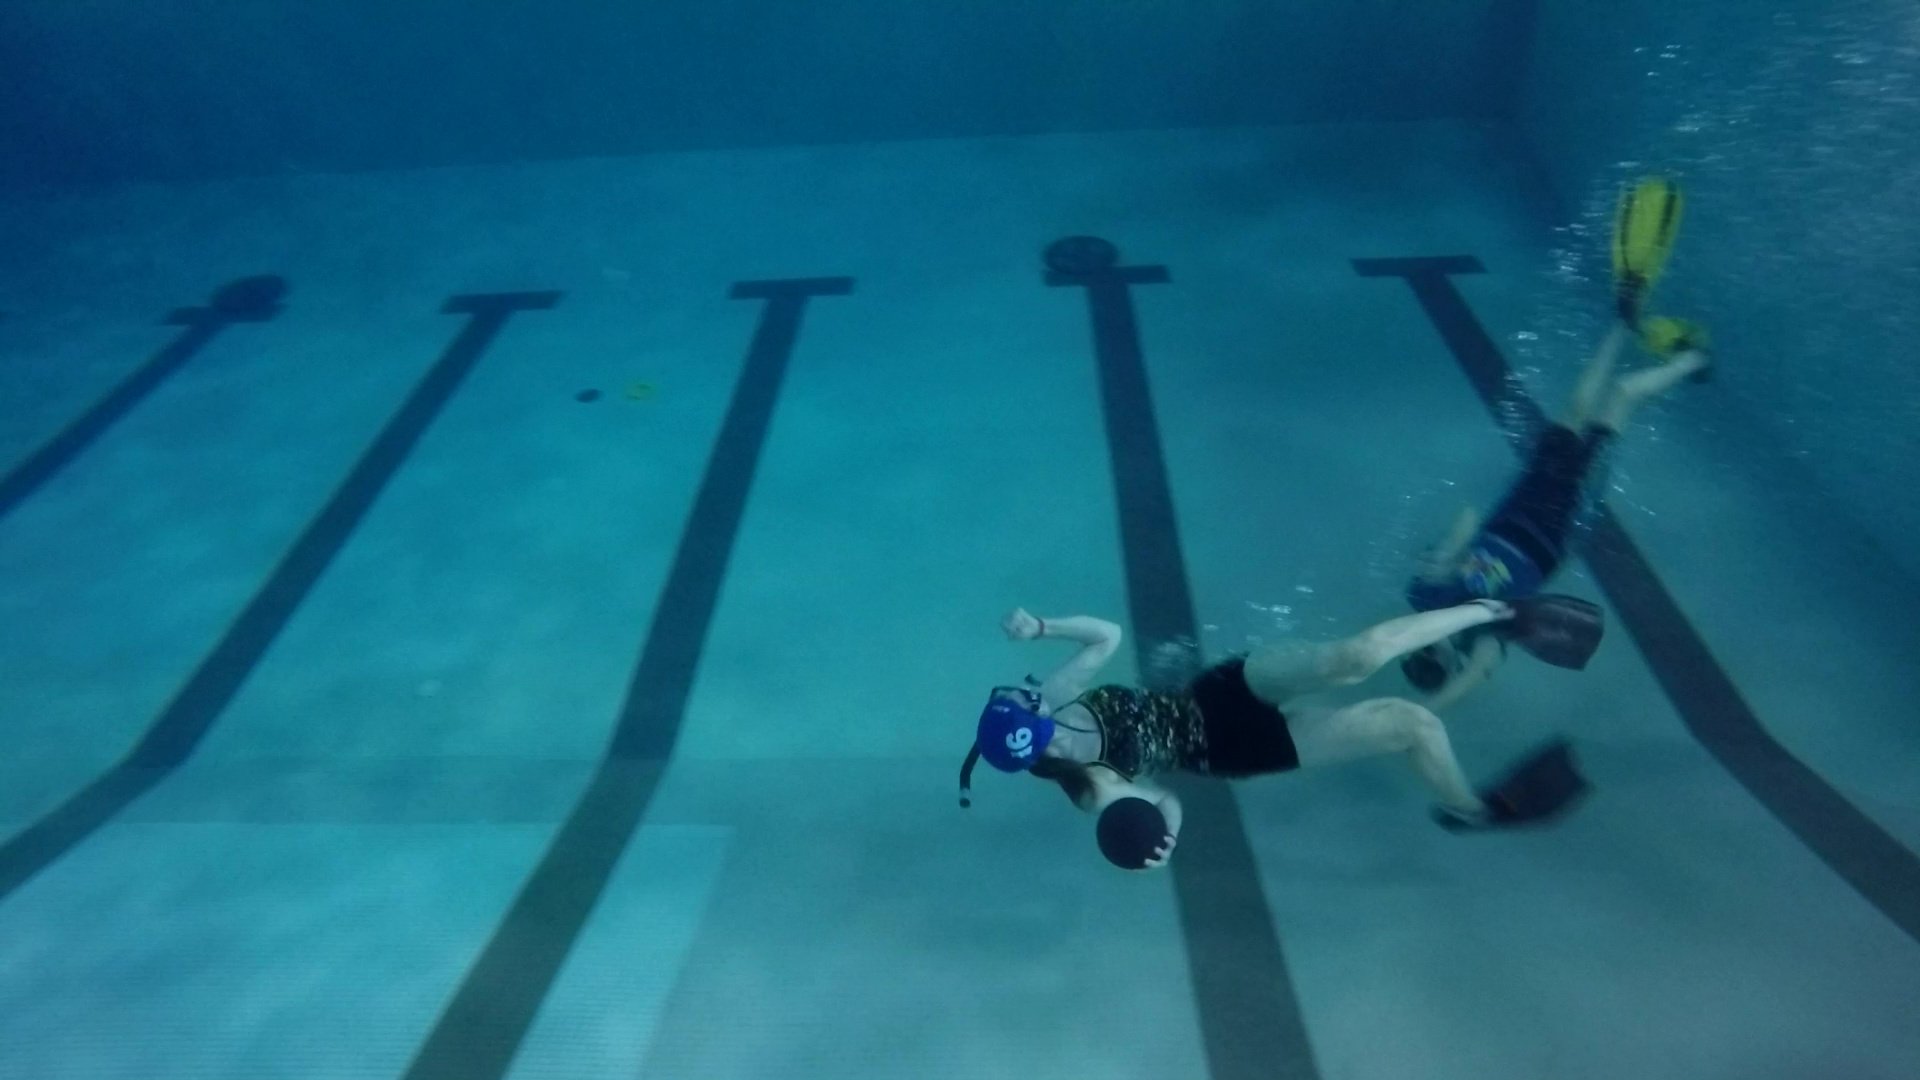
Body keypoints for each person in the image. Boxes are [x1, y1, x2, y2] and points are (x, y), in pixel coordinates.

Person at [1400, 175, 1712, 707]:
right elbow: (1478, 666)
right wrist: (1427, 710)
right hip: (1551, 513)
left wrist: (1448, 558)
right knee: (1603, 405)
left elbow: (1468, 522)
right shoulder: (1473, 623)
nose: (1435, 646)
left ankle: (1651, 339)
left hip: (1538, 508)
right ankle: (1670, 349)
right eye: (1432, 653)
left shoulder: (1444, 605)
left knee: (1588, 412)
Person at [958, 599, 1537, 869]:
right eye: (1024, 701)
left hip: (1216, 692)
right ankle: (1469, 808)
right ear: (1033, 730)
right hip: (1231, 749)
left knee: (1354, 657)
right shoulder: (1092, 789)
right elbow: (1162, 802)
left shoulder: (1055, 696)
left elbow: (1106, 635)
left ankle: (1492, 611)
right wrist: (1165, 838)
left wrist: (1042, 627)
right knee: (1412, 725)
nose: (1030, 693)